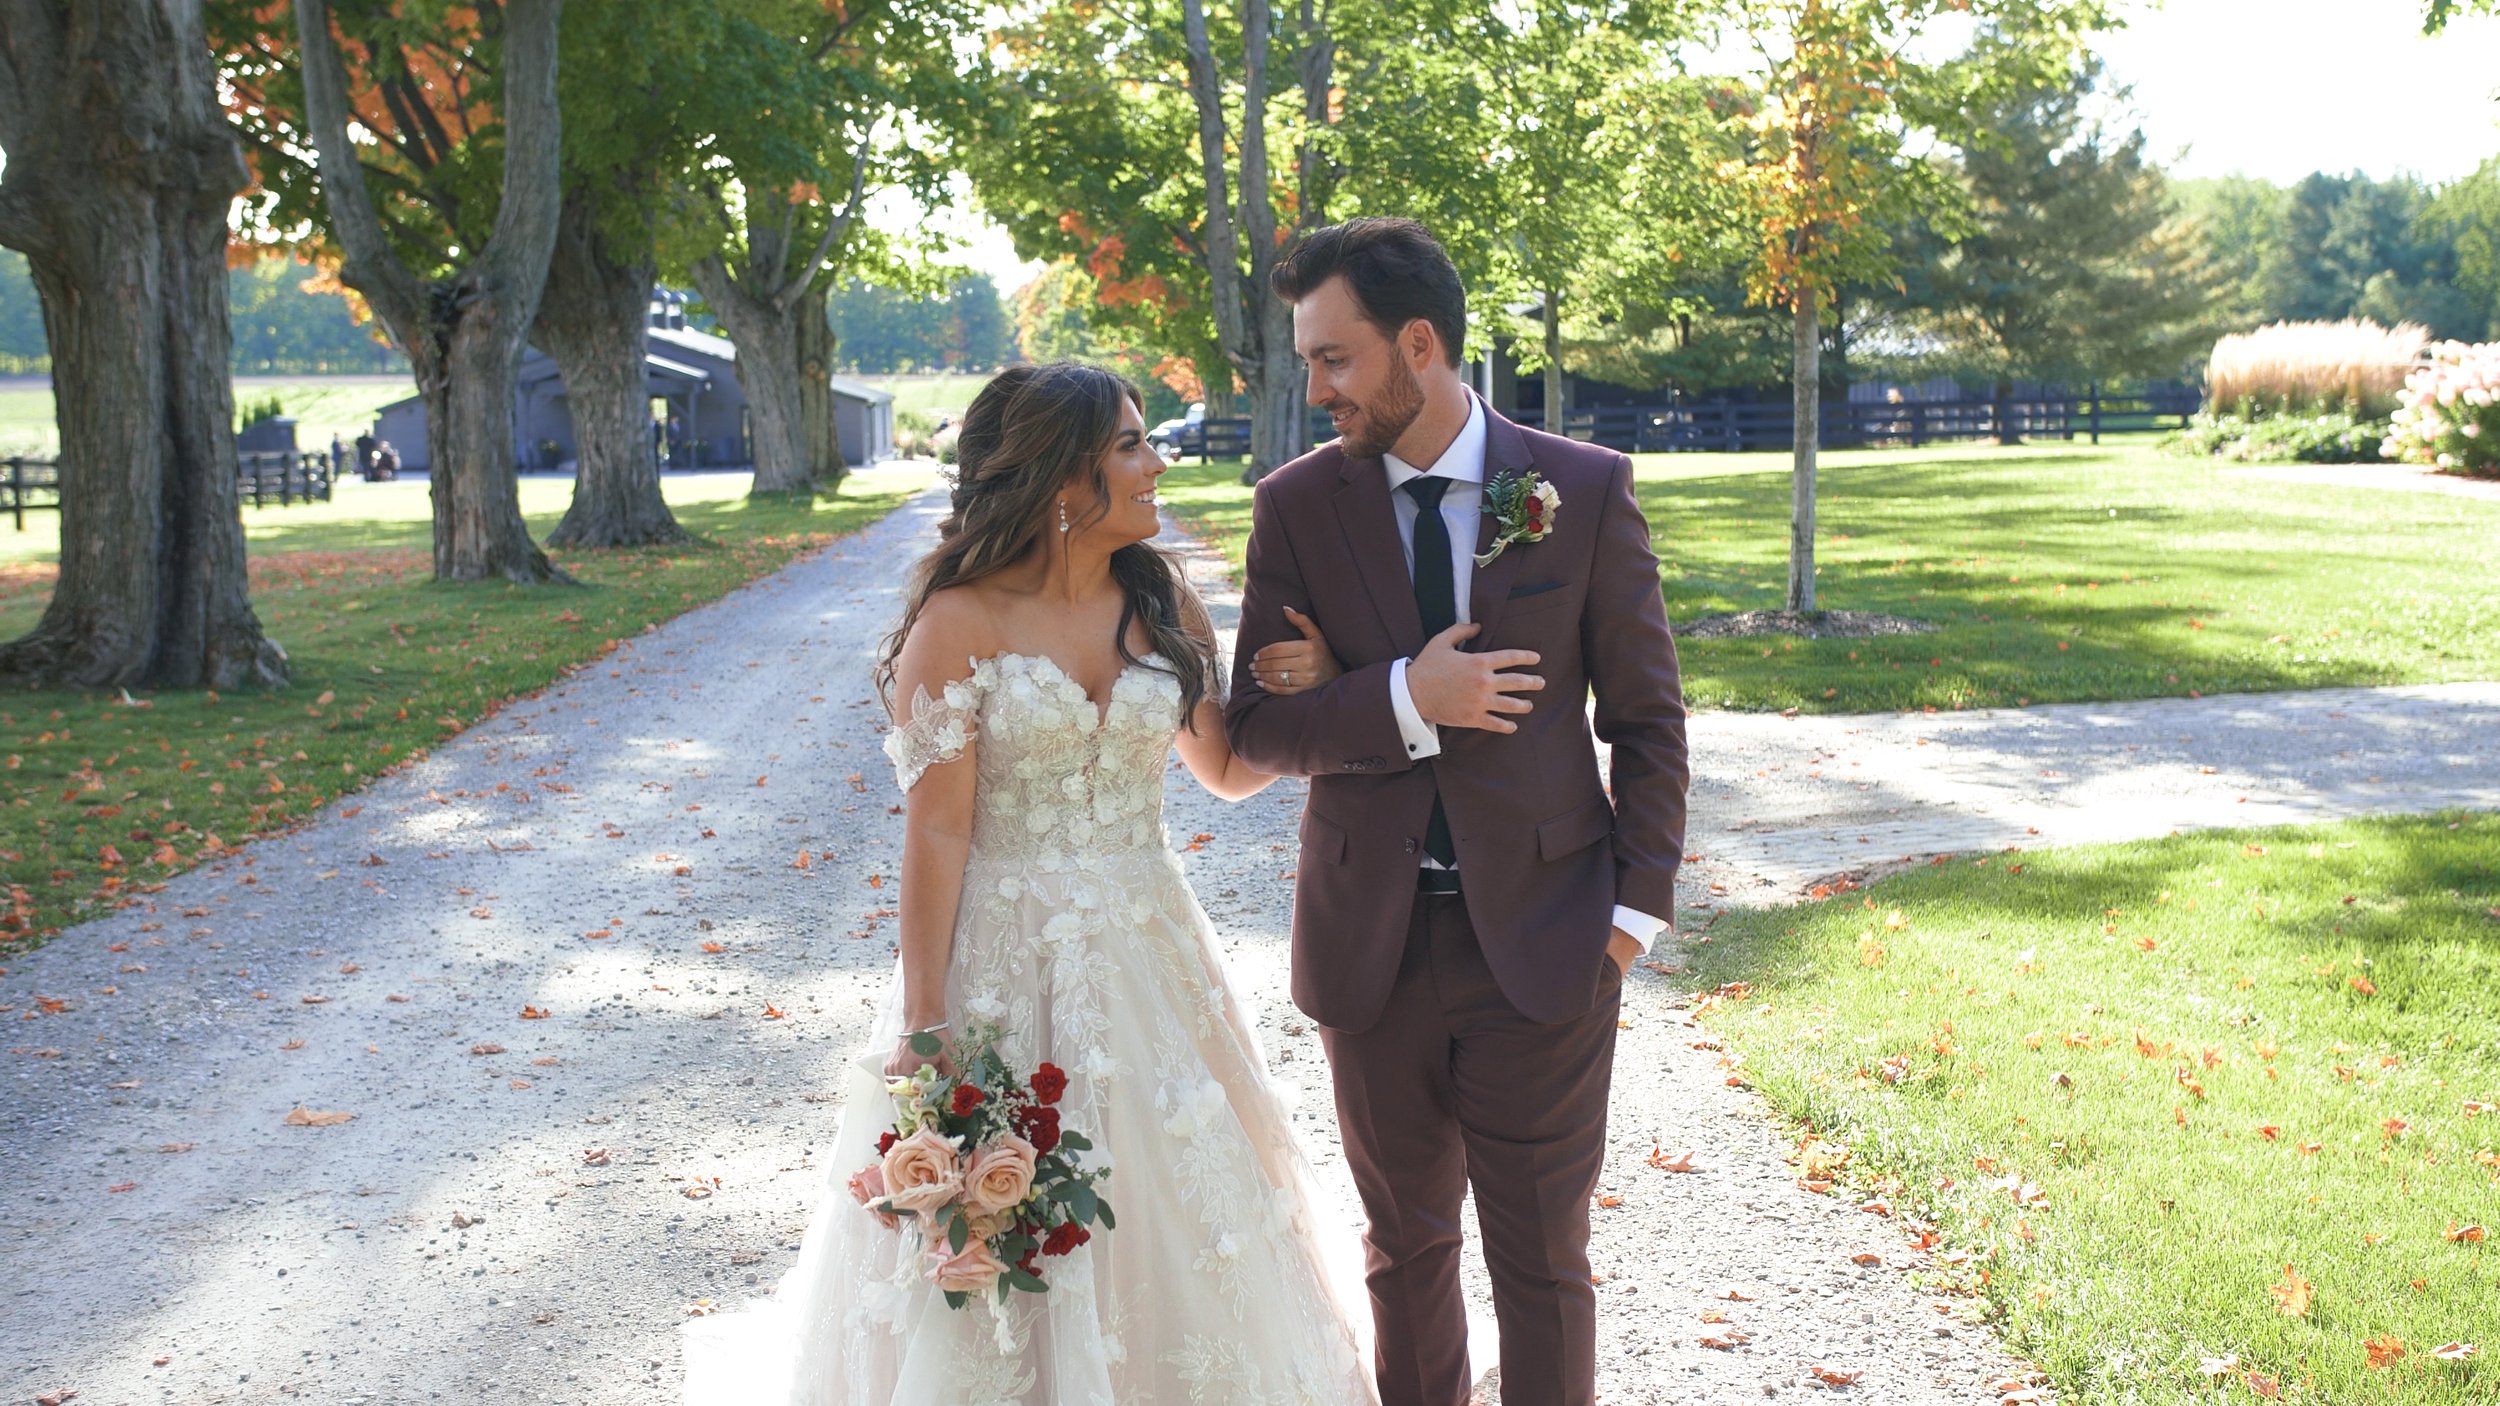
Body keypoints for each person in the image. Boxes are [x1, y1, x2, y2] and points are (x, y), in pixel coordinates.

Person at [682, 361, 1376, 1406]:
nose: (1156, 463)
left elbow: (1228, 772)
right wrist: (926, 1024)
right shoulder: (960, 621)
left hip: (1153, 953)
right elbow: (941, 829)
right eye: (1131, 445)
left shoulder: (1163, 597)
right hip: (1001, 962)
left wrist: (1326, 693)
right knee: (1007, 1240)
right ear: (1061, 478)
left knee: (1178, 1206)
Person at [1225, 217, 1689, 1406]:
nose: (1316, 387)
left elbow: (1645, 718)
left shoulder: (1577, 490)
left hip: (1547, 935)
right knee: (1406, 1250)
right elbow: (1260, 731)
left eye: (1335, 359)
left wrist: (1632, 913)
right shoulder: (1294, 507)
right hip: (1368, 943)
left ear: (1417, 344)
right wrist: (1397, 698)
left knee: (1542, 1262)